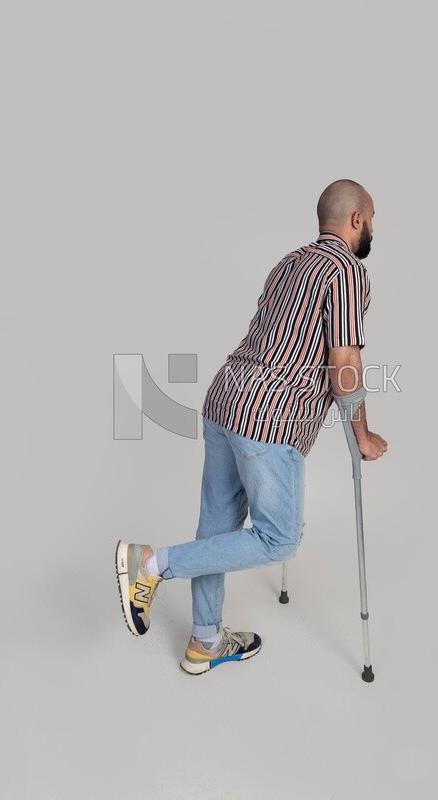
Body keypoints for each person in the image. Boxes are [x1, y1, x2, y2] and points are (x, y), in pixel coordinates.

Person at [115, 178, 388, 675]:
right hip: (270, 420)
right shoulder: (347, 270)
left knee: (217, 525)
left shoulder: (288, 262)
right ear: (356, 220)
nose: (373, 229)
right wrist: (362, 435)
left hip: (226, 399)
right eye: (372, 219)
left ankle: (205, 641)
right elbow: (344, 359)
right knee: (278, 538)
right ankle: (151, 565)